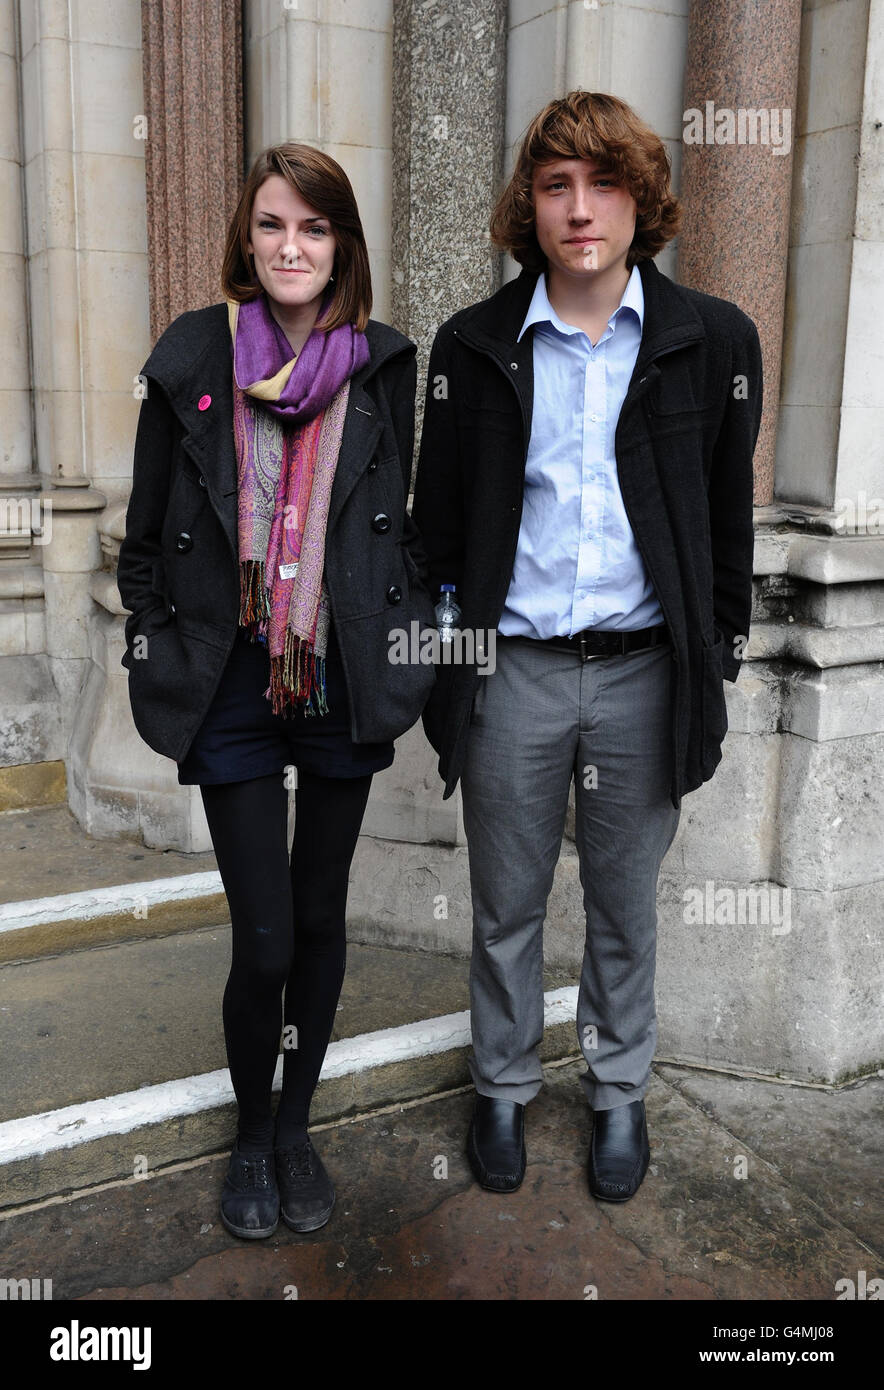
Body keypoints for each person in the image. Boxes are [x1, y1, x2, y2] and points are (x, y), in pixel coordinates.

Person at [412, 91, 763, 1202]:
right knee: (504, 900)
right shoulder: (472, 344)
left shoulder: (709, 339)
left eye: (602, 182)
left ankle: (616, 1093)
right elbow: (435, 523)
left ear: (639, 199)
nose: (578, 208)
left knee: (622, 900)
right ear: (530, 204)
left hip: (643, 670)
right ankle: (504, 1083)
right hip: (512, 669)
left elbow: (722, 518)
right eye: (554, 184)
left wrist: (714, 659)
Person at [117, 143, 435, 1239]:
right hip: (232, 681)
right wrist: (154, 643)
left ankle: (297, 1127)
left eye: (312, 227)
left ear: (340, 242)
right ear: (245, 240)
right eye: (271, 226)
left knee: (318, 916)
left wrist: (416, 640)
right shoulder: (194, 354)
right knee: (262, 938)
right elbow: (146, 536)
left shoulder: (383, 365)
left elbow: (408, 531)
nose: (291, 247)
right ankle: (251, 1130)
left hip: (339, 673)